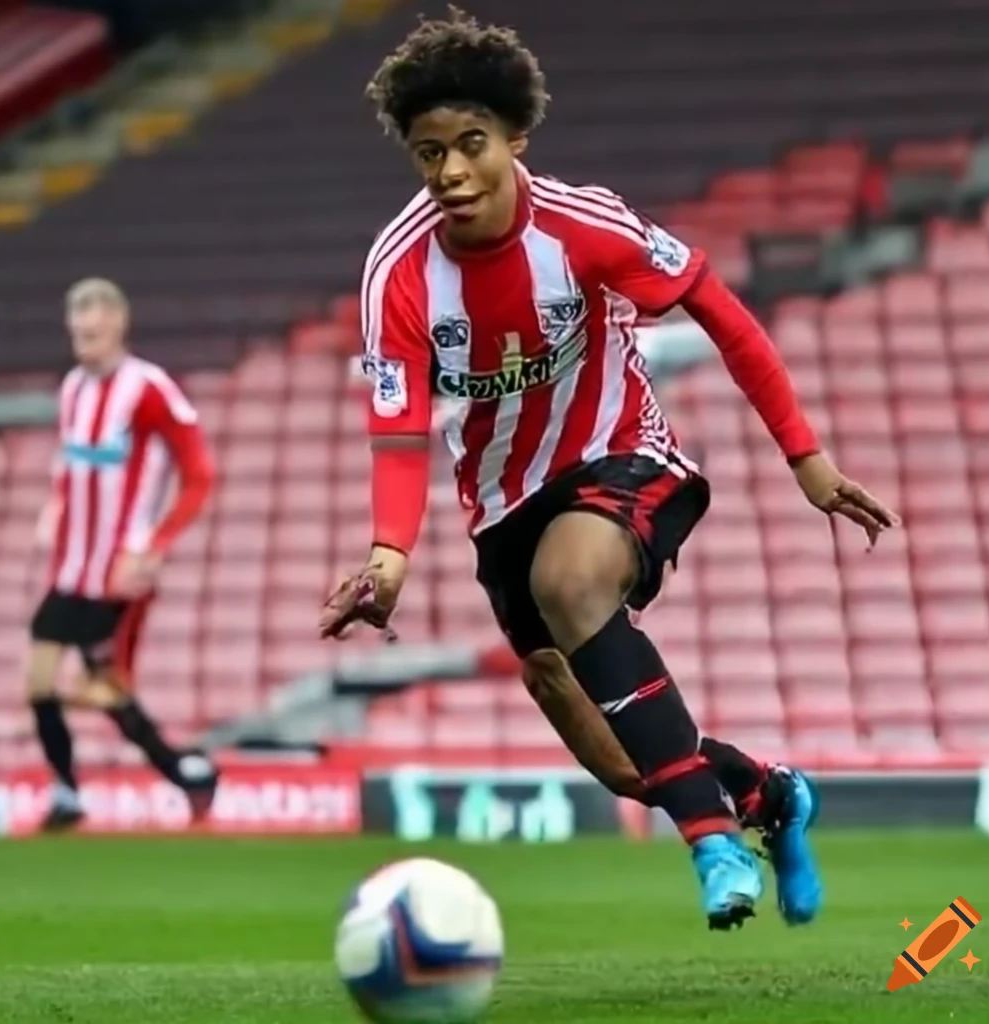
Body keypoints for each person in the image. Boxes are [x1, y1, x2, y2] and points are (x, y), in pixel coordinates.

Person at [320, 9, 900, 929]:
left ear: (516, 137)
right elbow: (395, 430)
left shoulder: (584, 226)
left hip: (620, 456)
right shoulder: (396, 272)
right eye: (430, 154)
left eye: (471, 145)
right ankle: (776, 800)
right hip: (500, 505)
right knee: (628, 763)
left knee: (573, 577)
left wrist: (809, 460)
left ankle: (712, 843)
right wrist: (388, 557)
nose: (452, 173)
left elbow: (720, 310)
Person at [28, 278, 220, 831]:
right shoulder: (71, 389)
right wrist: (55, 505)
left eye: (93, 318)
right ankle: (68, 792)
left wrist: (153, 547)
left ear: (118, 322)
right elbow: (70, 466)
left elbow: (199, 475)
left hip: (119, 572)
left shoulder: (149, 388)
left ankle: (188, 772)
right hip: (71, 569)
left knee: (106, 690)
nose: (83, 330)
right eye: (76, 320)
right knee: (40, 683)